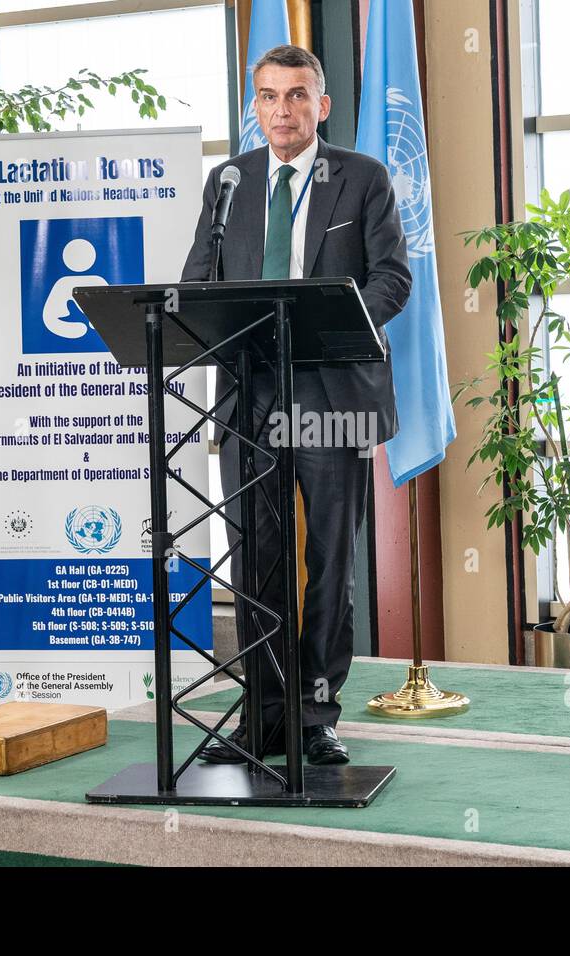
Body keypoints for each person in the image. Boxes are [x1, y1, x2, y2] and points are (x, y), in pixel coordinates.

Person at [181, 44, 411, 765]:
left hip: (332, 394)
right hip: (251, 396)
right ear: (255, 106)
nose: (283, 110)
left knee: (330, 558)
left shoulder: (364, 179)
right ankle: (263, 715)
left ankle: (315, 715)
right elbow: (200, 281)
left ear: (322, 104)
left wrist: (327, 328)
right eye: (269, 96)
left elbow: (392, 280)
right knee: (258, 559)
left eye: (297, 95)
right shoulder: (227, 182)